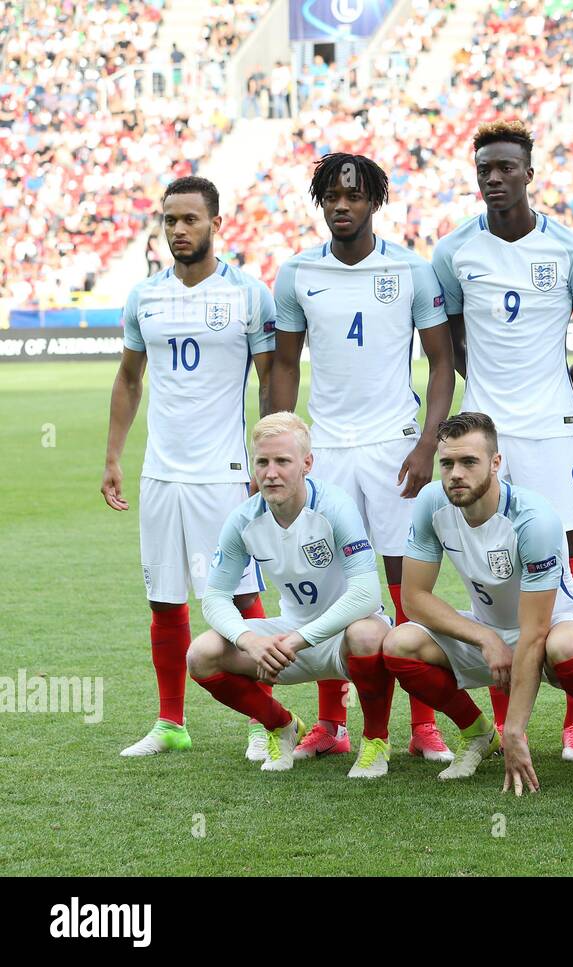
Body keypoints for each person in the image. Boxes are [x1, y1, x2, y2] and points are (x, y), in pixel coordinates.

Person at [271, 153, 457, 763]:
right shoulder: (296, 273)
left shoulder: (410, 269)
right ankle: (332, 722)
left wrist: (428, 443)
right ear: (320, 203)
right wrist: (278, 448)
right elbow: (283, 366)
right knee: (328, 586)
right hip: (325, 448)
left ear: (375, 201)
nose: (341, 205)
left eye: (352, 196)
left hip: (394, 446)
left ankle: (423, 723)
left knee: (408, 587)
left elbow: (441, 360)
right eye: (330, 196)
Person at [431, 120, 573, 763]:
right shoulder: (453, 253)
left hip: (554, 431)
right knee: (490, 563)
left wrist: (560, 389)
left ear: (530, 173)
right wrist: (491, 399)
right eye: (484, 170)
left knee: (568, 563)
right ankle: (506, 720)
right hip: (483, 430)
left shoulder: (570, 251)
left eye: (505, 168)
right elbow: (449, 343)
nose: (494, 179)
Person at [103, 176, 275, 759]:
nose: (178, 231)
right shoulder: (143, 296)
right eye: (170, 221)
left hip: (223, 474)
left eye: (190, 220)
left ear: (216, 224)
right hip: (160, 473)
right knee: (164, 598)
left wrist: (267, 455)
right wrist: (113, 458)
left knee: (241, 598)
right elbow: (129, 378)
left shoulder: (249, 295)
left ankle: (264, 719)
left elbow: (272, 378)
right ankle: (171, 722)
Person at [380, 413, 573, 791]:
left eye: (469, 462)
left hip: (554, 625)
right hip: (490, 628)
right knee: (400, 644)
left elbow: (534, 632)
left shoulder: (533, 518)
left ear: (496, 463)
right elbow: (414, 599)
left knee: (568, 648)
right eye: (447, 463)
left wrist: (516, 729)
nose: (456, 474)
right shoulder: (431, 503)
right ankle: (477, 733)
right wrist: (485, 638)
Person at [190, 412, 392, 775]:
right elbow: (215, 596)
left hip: (343, 639)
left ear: (306, 464)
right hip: (288, 639)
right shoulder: (243, 519)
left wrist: (300, 639)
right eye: (262, 462)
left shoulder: (334, 505)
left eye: (282, 461)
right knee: (201, 654)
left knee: (367, 633)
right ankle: (281, 725)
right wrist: (249, 640)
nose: (270, 473)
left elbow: (365, 593)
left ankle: (376, 741)